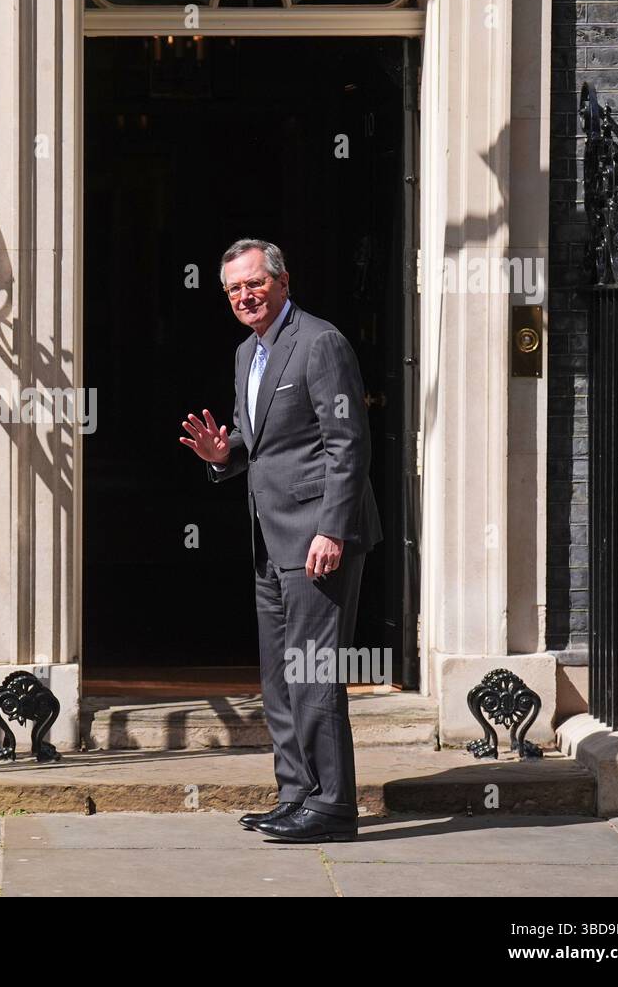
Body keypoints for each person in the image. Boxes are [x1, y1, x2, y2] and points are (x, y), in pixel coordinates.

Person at [179, 238, 382, 842]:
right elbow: (255, 437)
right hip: (269, 540)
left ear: (282, 282)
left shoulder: (320, 342)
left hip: (320, 537)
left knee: (314, 670)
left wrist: (332, 529)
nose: (245, 295)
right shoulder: (249, 353)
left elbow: (348, 443)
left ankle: (333, 806)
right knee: (278, 675)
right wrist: (224, 454)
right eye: (234, 288)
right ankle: (296, 795)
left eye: (254, 284)